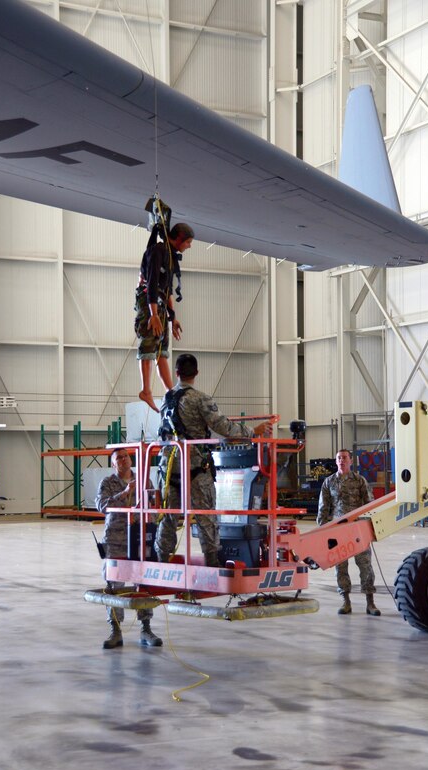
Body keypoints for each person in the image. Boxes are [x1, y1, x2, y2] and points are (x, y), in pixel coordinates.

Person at [155, 353, 271, 567]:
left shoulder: (166, 398)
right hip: (194, 467)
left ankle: (160, 562)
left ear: (177, 373)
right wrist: (254, 430)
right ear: (196, 373)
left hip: (168, 467)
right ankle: (212, 563)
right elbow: (224, 428)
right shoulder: (200, 399)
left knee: (168, 517)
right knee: (206, 517)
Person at [95, 448, 162, 650]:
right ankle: (115, 631)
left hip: (140, 538)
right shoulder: (108, 483)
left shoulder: (143, 481)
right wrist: (124, 494)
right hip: (116, 540)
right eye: (118, 458)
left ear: (131, 459)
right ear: (113, 464)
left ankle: (146, 628)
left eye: (125, 456)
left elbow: (153, 502)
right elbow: (101, 505)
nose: (123, 460)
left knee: (144, 583)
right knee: (114, 586)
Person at [134, 223, 194, 412]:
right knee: (149, 345)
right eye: (188, 242)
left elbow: (167, 288)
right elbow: (151, 282)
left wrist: (172, 317)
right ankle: (146, 390)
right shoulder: (158, 251)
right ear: (179, 238)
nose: (189, 246)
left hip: (159, 304)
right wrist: (153, 314)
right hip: (149, 301)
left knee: (161, 350)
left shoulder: (169, 256)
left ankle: (171, 392)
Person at [316, 448, 381, 616]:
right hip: (338, 532)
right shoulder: (329, 482)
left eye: (345, 458)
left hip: (358, 530)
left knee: (365, 565)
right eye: (338, 458)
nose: (341, 460)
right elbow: (323, 510)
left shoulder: (360, 480)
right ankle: (345, 602)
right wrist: (322, 532)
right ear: (336, 461)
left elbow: (370, 505)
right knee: (341, 567)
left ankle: (370, 602)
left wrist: (370, 528)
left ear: (351, 461)